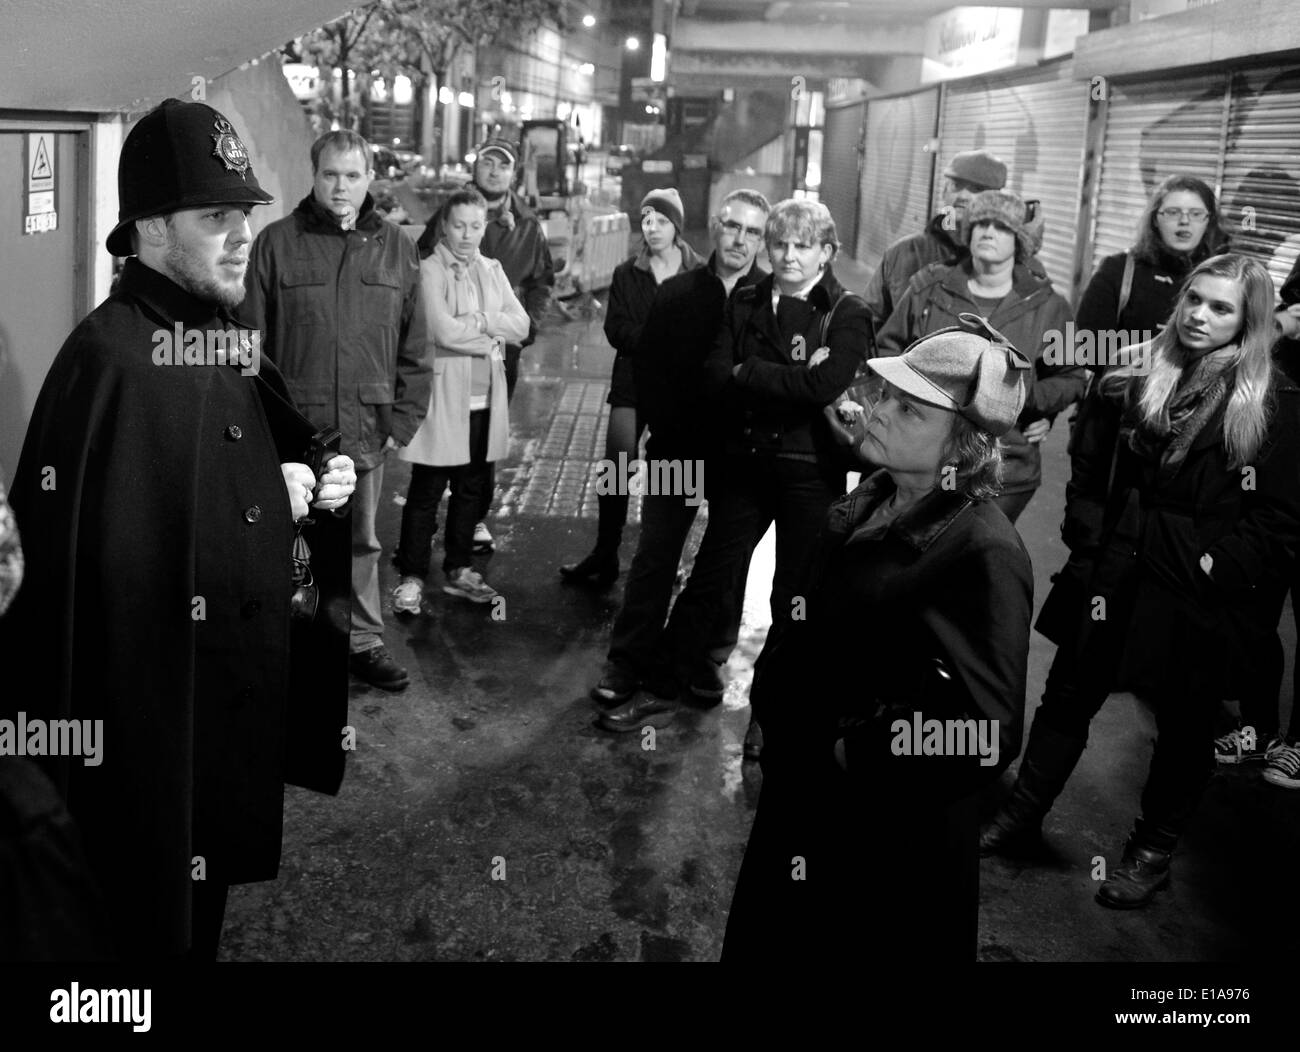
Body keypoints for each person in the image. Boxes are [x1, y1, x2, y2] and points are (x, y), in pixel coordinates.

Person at [0, 98, 356, 958]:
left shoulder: (219, 335)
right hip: (146, 762)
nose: (241, 237)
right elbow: (119, 582)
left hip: (215, 741)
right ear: (151, 230)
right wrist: (274, 497)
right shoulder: (112, 360)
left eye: (244, 216)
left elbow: (271, 448)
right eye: (215, 218)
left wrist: (320, 479)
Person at [980, 254, 1300, 909]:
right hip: (1114, 560)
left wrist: (1219, 565)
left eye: (1221, 308)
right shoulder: (1135, 368)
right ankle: (1020, 816)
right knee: (1069, 691)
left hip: (1193, 579)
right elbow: (1091, 459)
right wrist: (1090, 534)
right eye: (1195, 300)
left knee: (1184, 724)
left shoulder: (1270, 395)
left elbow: (1280, 514)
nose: (1200, 316)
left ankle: (1149, 855)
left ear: (1250, 320)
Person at [721, 316, 1033, 962]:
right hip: (804, 794)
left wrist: (852, 754)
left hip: (879, 830)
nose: (877, 411)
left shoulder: (982, 549)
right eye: (886, 395)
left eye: (909, 410)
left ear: (961, 446)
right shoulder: (872, 495)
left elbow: (983, 729)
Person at [596, 199, 871, 737]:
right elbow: (722, 375)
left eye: (802, 246)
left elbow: (824, 384)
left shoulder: (847, 311)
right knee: (703, 578)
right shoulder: (736, 298)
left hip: (808, 472)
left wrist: (756, 373)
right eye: (780, 244)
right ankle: (653, 682)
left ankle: (770, 716)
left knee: (793, 595)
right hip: (736, 462)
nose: (787, 255)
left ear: (826, 252)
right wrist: (785, 376)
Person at [243, 130, 430, 693]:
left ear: (371, 178)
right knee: (282, 539)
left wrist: (401, 423)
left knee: (360, 542)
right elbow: (249, 342)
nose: (340, 186)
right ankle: (279, 642)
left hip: (366, 426)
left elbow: (415, 346)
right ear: (314, 175)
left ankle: (364, 642)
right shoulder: (276, 243)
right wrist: (260, 427)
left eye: (352, 175)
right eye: (330, 174)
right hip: (294, 432)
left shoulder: (397, 246)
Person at [590, 189, 770, 715]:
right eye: (733, 227)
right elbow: (649, 369)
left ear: (762, 239)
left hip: (739, 455)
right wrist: (665, 431)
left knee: (728, 562)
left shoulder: (770, 299)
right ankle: (627, 659)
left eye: (753, 231)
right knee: (656, 553)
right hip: (679, 448)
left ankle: (708, 657)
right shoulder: (681, 293)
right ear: (716, 227)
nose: (740, 240)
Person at [875, 189, 1083, 524]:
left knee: (972, 560)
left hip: (1005, 468)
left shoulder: (1048, 306)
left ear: (1020, 241)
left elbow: (1071, 376)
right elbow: (889, 346)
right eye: (981, 223)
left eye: (1001, 227)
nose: (988, 231)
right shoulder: (928, 287)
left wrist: (1027, 400)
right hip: (921, 457)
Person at [560, 188, 705, 585]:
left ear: (676, 225)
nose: (652, 228)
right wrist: (664, 339)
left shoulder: (699, 273)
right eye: (646, 220)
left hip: (680, 392)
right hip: (632, 383)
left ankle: (665, 557)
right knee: (617, 467)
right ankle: (605, 553)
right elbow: (615, 329)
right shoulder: (627, 273)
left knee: (676, 473)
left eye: (660, 220)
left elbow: (706, 332)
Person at [391, 189, 529, 608]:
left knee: (474, 490)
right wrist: (491, 337)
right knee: (427, 490)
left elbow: (522, 325)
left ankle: (459, 568)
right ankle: (412, 576)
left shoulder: (493, 269)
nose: (467, 234)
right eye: (458, 225)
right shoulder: (429, 269)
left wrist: (482, 320)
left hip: (486, 400)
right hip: (443, 399)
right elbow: (441, 331)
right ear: (444, 226)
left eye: (475, 225)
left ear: (484, 226)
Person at [417, 136, 555, 555]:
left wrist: (522, 333)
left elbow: (540, 284)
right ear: (476, 167)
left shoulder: (528, 225)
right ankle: (423, 536)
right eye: (488, 163)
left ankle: (474, 519)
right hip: (447, 357)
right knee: (441, 437)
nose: (494, 171)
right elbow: (423, 264)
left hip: (497, 354)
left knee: (484, 438)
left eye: (503, 165)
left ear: (513, 173)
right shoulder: (451, 212)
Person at [1075, 174, 1228, 376]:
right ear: (1155, 219)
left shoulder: (1223, 279)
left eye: (1196, 213)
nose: (1184, 221)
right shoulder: (1118, 269)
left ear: (1208, 221)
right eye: (1173, 212)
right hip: (1117, 398)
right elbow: (1089, 352)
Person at [863, 149, 1010, 327]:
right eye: (956, 186)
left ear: (997, 199)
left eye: (976, 189)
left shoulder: (1007, 262)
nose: (963, 196)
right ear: (944, 192)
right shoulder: (904, 253)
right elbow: (867, 323)